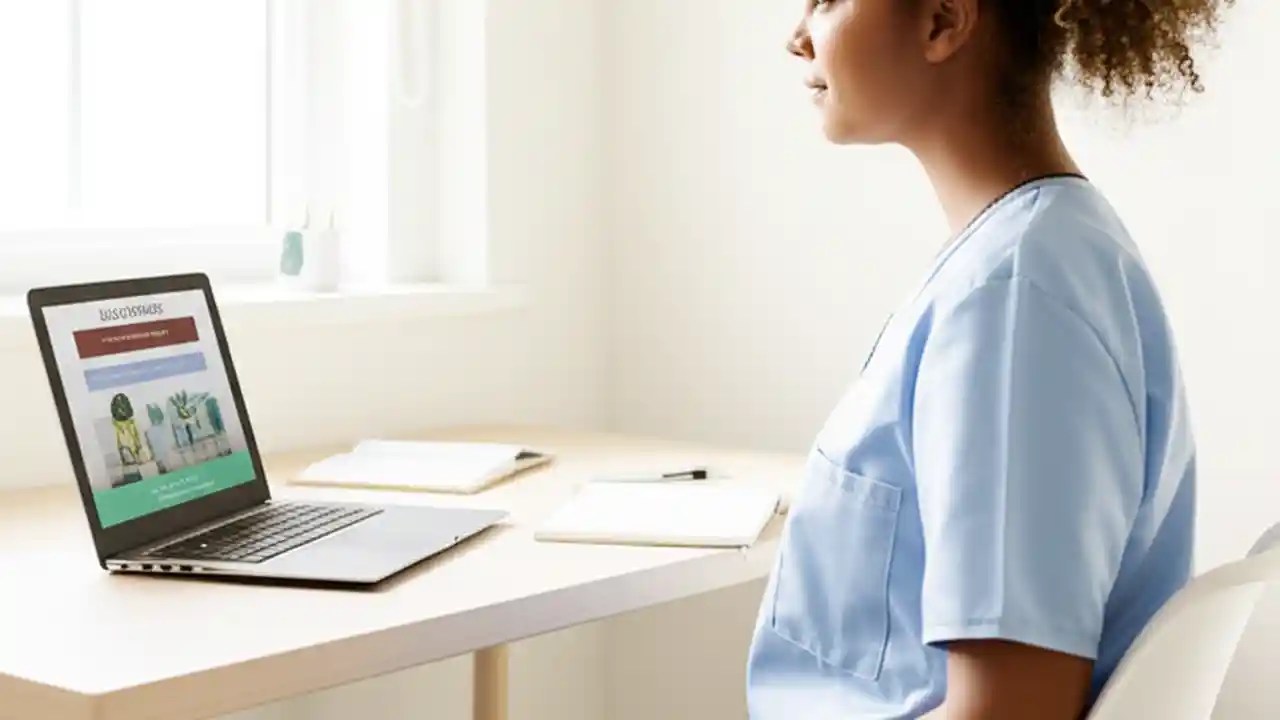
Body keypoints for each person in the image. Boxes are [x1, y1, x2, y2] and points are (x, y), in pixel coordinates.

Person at [746, 0, 1232, 718]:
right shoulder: (1022, 259)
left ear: (942, 21)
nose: (797, 38)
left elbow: (1011, 709)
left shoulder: (1014, 298)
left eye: (828, 0)